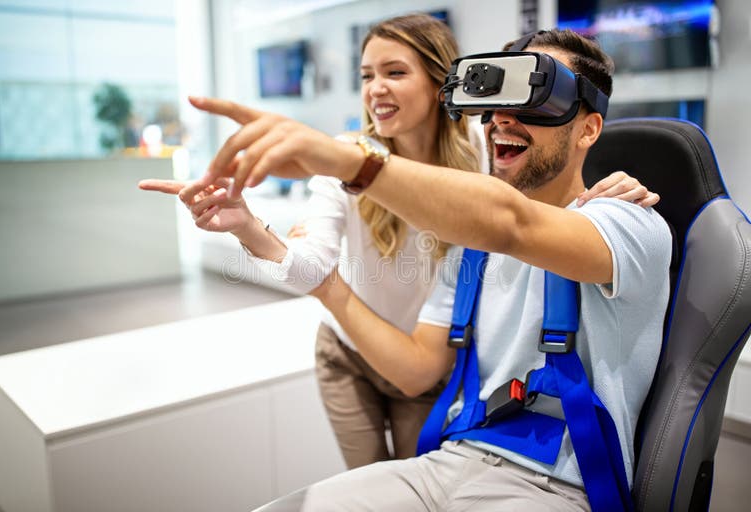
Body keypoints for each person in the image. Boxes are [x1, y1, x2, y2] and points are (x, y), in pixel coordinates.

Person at [141, 15, 657, 474]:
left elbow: (515, 213)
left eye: (394, 72)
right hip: (354, 350)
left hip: (433, 358)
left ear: (440, 84)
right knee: (369, 479)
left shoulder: (483, 158)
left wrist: (606, 198)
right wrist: (249, 228)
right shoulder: (349, 156)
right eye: (366, 76)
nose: (376, 89)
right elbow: (313, 265)